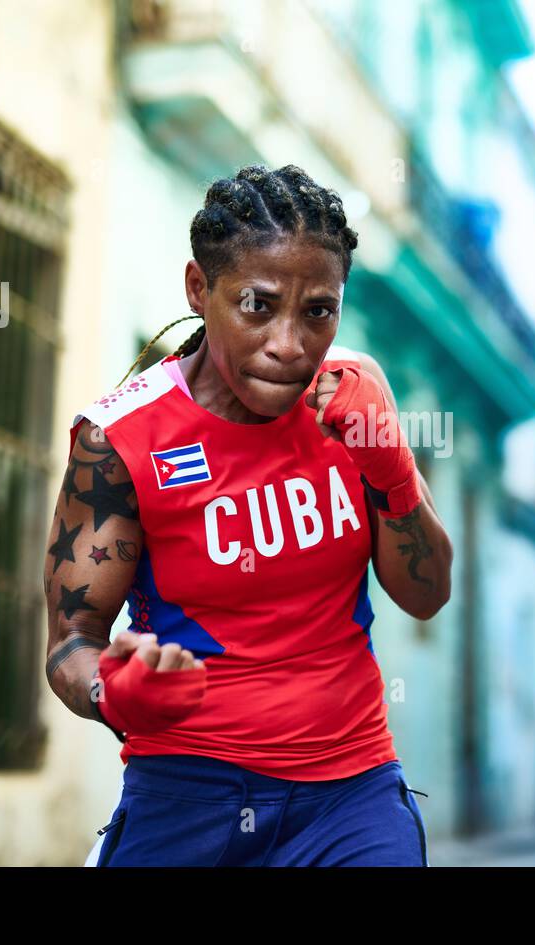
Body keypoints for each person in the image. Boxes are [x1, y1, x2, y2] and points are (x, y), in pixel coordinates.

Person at [44, 164, 454, 866]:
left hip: (348, 791)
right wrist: (115, 692)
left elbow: (427, 594)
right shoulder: (118, 441)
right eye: (258, 306)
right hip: (187, 795)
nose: (290, 344)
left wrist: (390, 471)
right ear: (200, 289)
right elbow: (69, 641)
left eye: (319, 311)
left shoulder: (353, 393)